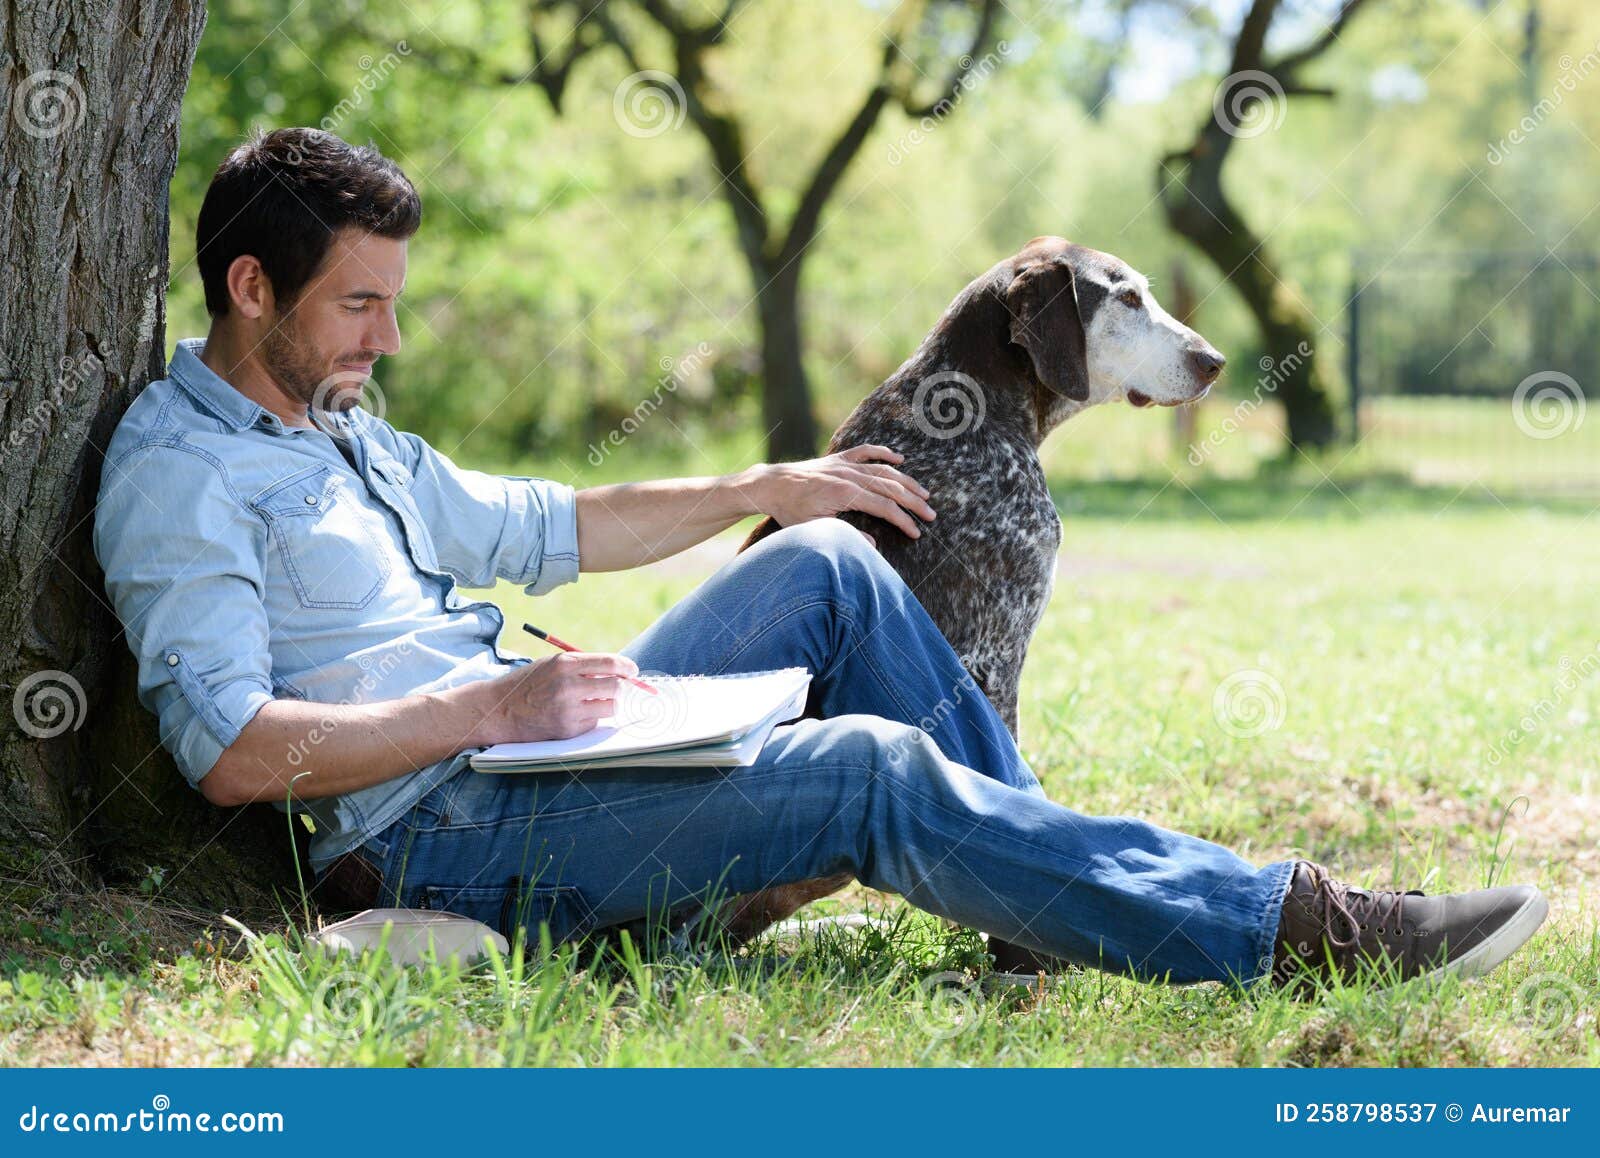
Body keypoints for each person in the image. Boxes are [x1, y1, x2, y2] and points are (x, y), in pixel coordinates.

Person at [94, 128, 1546, 991]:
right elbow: (232, 751)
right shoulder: (180, 475)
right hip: (445, 834)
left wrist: (772, 486)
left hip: (534, 753)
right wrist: (487, 706)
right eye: (361, 305)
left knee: (838, 562)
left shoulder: (342, 426)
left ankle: (1044, 898)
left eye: (393, 301)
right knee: (867, 767)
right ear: (250, 286)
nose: (391, 336)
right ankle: (1288, 926)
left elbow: (547, 527)